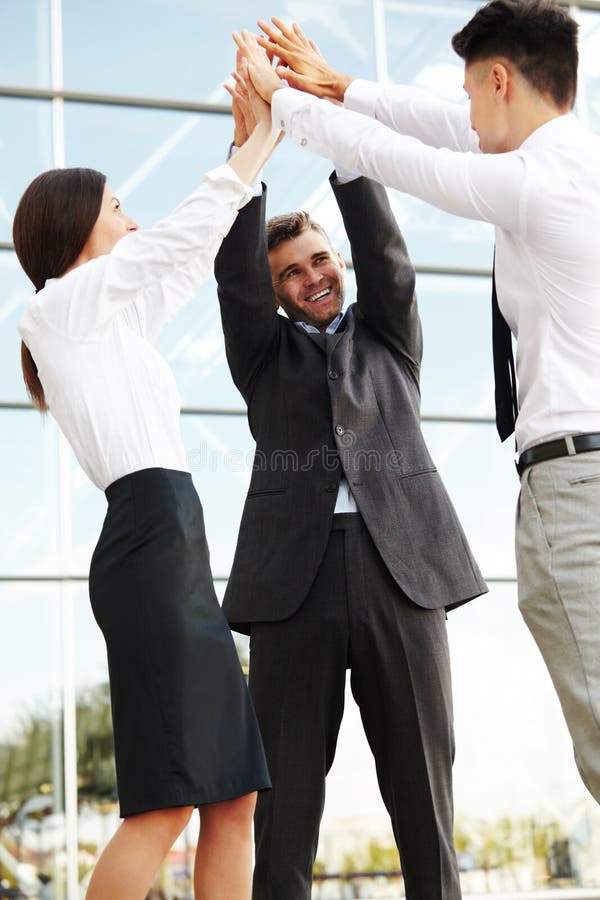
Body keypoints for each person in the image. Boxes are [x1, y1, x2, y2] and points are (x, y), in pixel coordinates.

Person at [236, 0, 600, 807]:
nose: (465, 113)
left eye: (472, 93)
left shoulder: (538, 181)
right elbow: (435, 124)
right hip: (565, 478)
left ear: (500, 79)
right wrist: (342, 86)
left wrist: (285, 102)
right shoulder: (568, 159)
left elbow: (406, 159)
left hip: (579, 484)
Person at [215, 54, 487, 900]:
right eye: (293, 272)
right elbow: (235, 286)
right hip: (292, 586)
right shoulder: (263, 359)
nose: (314, 276)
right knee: (284, 806)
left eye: (321, 259)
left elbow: (389, 259)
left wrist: (330, 135)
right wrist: (249, 148)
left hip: (399, 573)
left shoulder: (389, 337)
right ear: (280, 296)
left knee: (422, 794)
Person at [14, 76, 281, 900]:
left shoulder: (114, 318)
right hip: (147, 541)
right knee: (166, 804)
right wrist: (256, 142)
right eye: (118, 204)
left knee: (233, 795)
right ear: (77, 224)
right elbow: (170, 243)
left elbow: (188, 256)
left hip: (178, 541)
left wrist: (246, 147)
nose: (131, 216)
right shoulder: (56, 312)